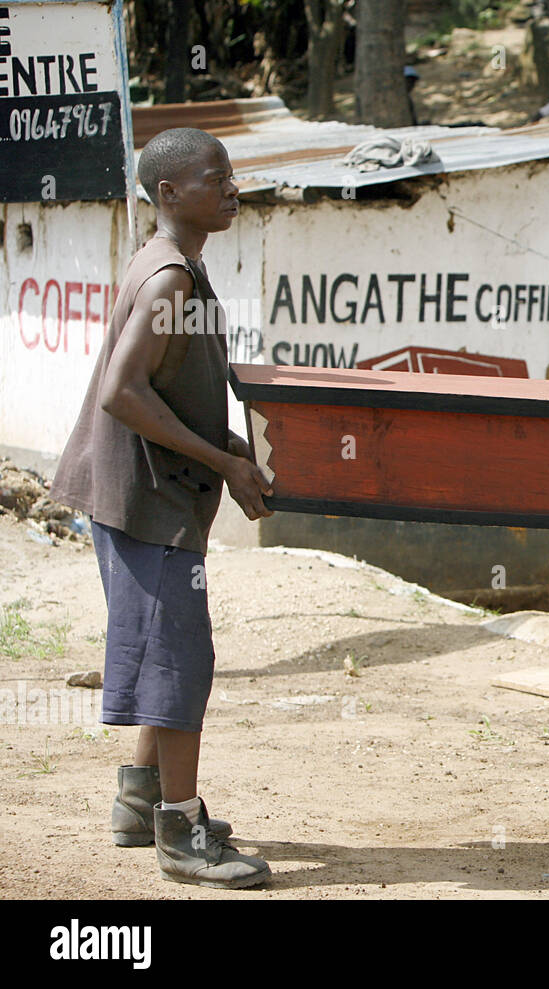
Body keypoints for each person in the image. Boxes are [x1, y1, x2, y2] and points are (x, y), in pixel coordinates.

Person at [51, 127, 276, 889]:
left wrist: (230, 441)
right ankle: (180, 832)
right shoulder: (170, 279)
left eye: (231, 173)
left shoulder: (179, 266)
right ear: (170, 193)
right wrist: (222, 462)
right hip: (147, 500)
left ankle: (139, 797)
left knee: (165, 652)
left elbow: (174, 382)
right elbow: (123, 392)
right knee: (182, 662)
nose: (232, 186)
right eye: (216, 177)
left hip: (145, 494)